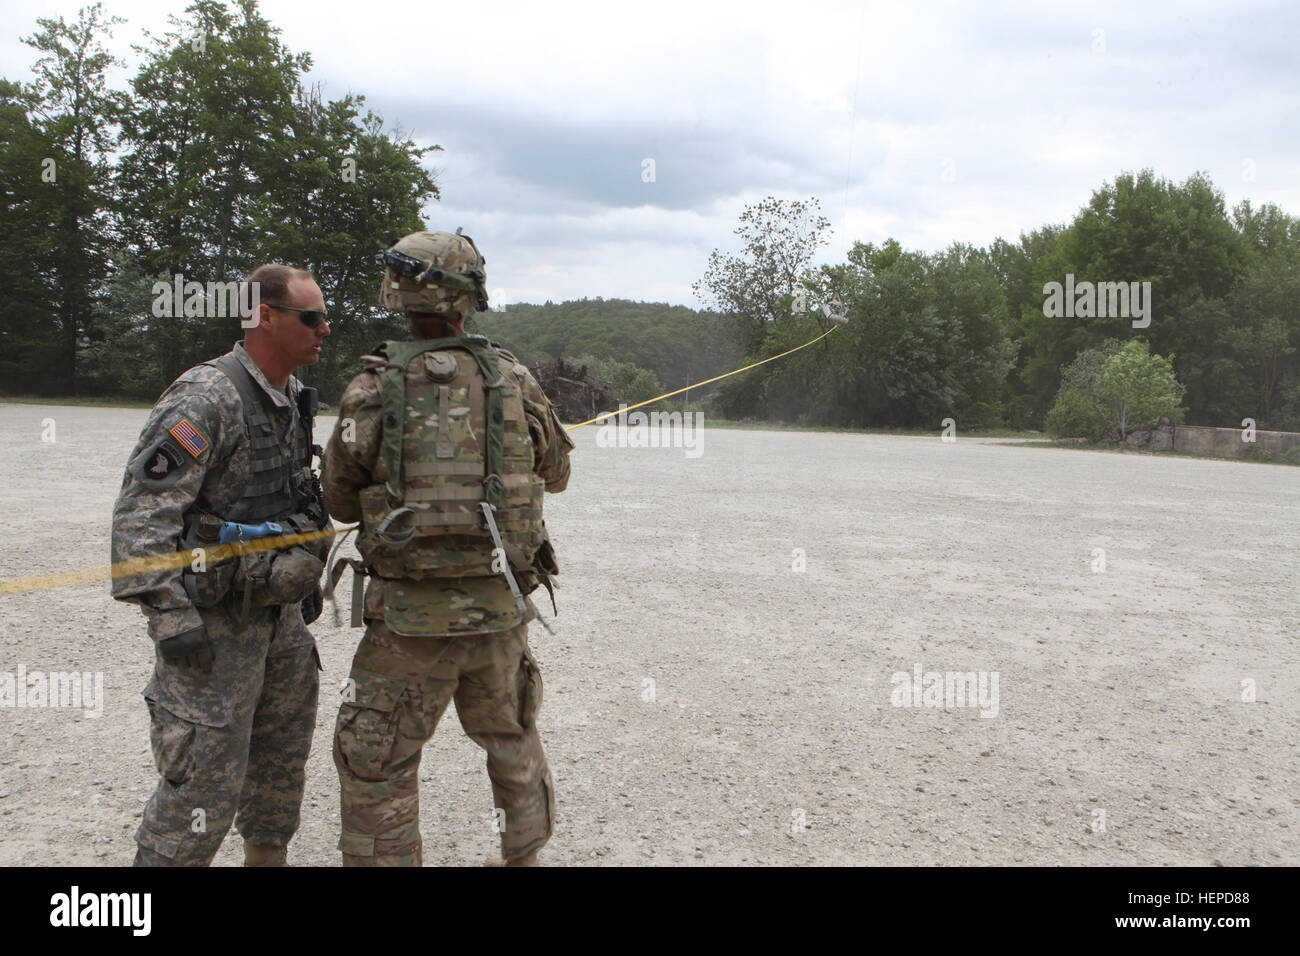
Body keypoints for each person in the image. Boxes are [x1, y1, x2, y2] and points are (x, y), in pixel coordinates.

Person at [322, 229, 572, 866]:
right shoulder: (515, 380)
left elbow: (340, 500)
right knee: (512, 739)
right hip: (499, 611)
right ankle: (523, 859)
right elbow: (556, 475)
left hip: (408, 622)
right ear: (469, 298)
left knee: (377, 758)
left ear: (399, 297)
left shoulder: (373, 385)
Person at [111, 264, 332, 866]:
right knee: (201, 788)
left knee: (278, 772)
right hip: (214, 626)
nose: (325, 329)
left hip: (277, 617)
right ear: (265, 316)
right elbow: (142, 514)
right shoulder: (206, 397)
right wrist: (168, 619)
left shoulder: (288, 398)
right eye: (311, 317)